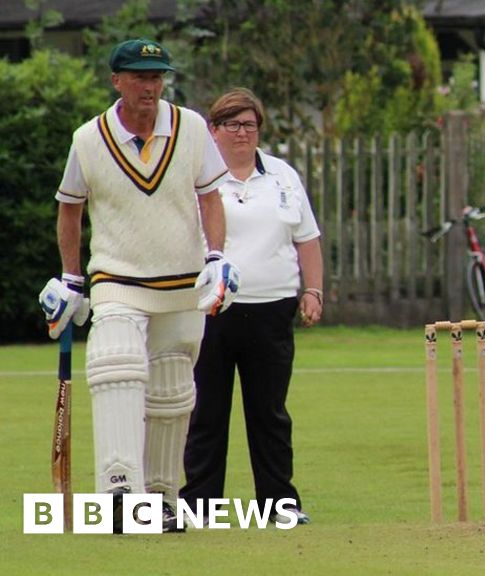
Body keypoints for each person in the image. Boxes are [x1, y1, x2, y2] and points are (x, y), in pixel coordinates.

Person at [39, 38, 238, 533]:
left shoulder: (191, 127)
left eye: (157, 77)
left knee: (172, 391)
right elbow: (70, 208)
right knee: (117, 367)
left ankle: (161, 497)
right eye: (140, 77)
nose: (151, 87)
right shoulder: (88, 139)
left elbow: (210, 198)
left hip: (182, 281)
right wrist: (72, 276)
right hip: (117, 277)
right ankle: (120, 494)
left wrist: (216, 257)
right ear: (117, 81)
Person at [180, 88, 322, 526]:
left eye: (250, 125)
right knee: (207, 411)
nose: (242, 133)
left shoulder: (282, 175)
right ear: (213, 129)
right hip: (211, 311)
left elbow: (307, 238)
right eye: (232, 125)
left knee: (270, 413)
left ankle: (278, 503)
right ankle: (200, 504)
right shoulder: (197, 177)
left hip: (272, 308)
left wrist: (314, 291)